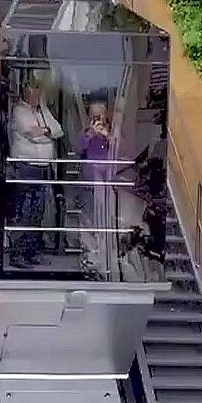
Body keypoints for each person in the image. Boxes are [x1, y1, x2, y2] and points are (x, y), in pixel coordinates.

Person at [6, 78, 64, 268]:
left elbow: (58, 130)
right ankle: (18, 255)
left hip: (42, 168)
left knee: (37, 212)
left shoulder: (43, 110)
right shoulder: (19, 111)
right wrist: (47, 134)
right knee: (23, 211)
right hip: (25, 167)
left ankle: (33, 252)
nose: (37, 93)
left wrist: (46, 131)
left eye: (40, 89)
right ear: (26, 90)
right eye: (34, 89)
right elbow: (32, 134)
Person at [76, 101, 113, 275]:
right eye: (94, 115)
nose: (97, 118)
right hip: (89, 181)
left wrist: (108, 137)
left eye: (100, 115)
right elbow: (77, 149)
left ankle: (105, 258)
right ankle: (88, 258)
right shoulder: (85, 133)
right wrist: (90, 134)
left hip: (108, 185)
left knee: (106, 219)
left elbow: (121, 148)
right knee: (88, 219)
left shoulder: (113, 132)